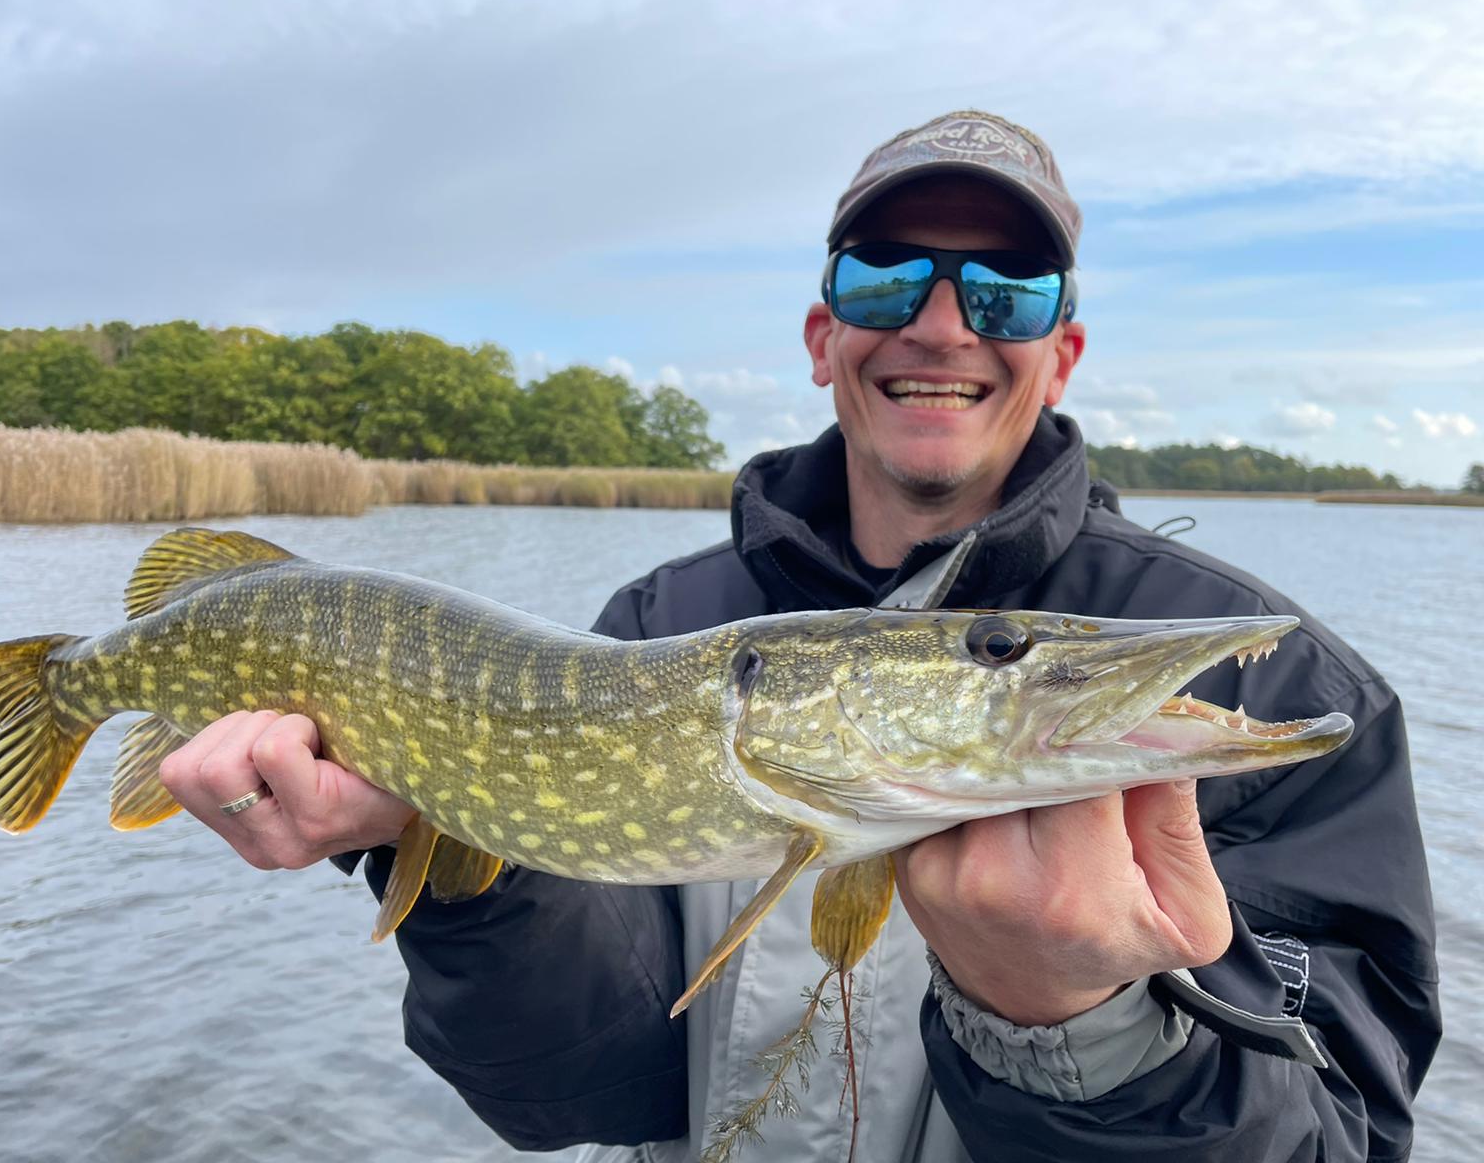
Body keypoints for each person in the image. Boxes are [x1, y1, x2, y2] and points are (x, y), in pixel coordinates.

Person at [161, 110, 1440, 1162]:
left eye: (1004, 292)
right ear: (826, 334)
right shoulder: (657, 629)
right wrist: (430, 850)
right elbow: (574, 1097)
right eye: (888, 276)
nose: (942, 325)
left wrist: (1087, 1029)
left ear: (1062, 351)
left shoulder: (1287, 700)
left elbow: (1343, 1143)